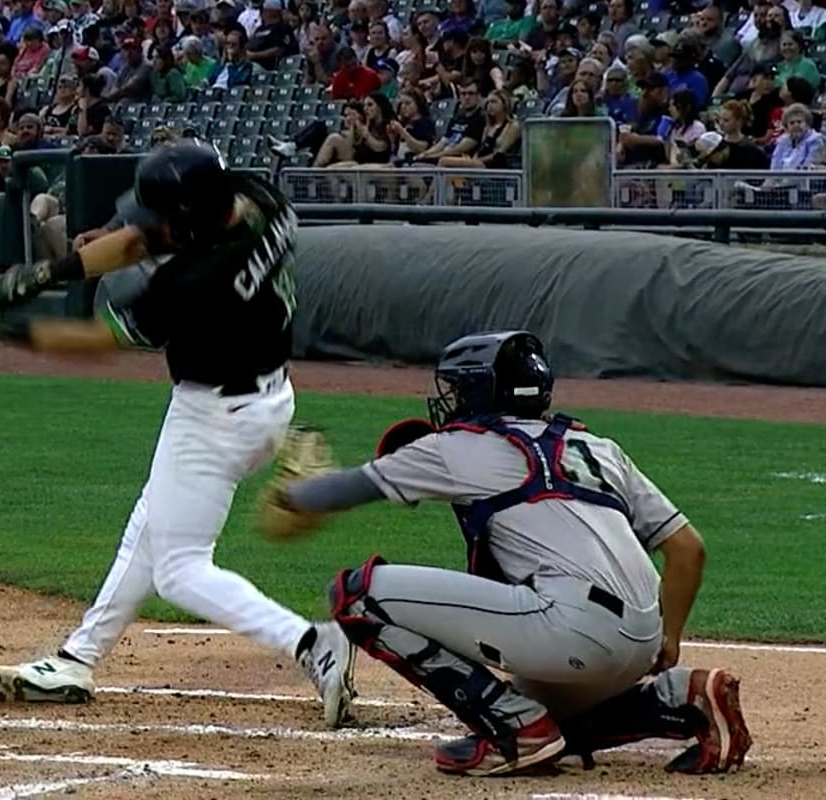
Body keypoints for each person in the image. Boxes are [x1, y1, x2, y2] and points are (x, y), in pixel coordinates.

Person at [0, 142, 357, 726]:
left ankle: (310, 642)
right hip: (266, 401)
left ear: (188, 222)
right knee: (151, 526)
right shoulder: (258, 199)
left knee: (180, 568)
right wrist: (47, 273)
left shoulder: (195, 283)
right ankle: (77, 658)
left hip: (215, 419)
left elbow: (100, 338)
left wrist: (7, 328)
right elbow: (144, 236)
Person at [260, 331, 751, 777]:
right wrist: (668, 639)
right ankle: (684, 695)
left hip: (569, 632)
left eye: (457, 388)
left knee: (357, 595)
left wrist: (293, 495)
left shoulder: (456, 447)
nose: (448, 400)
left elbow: (341, 492)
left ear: (480, 390)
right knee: (558, 718)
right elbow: (687, 549)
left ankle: (517, 733)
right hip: (638, 641)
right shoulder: (597, 447)